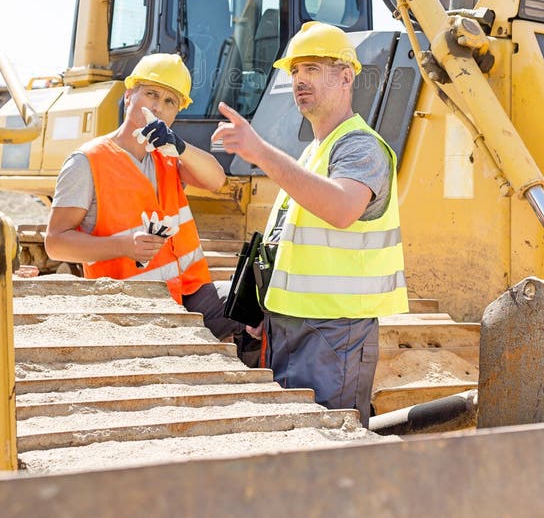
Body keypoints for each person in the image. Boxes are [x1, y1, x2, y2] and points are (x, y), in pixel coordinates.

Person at [211, 21, 408, 426]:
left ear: (346, 77)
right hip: (290, 325)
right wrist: (265, 308)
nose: (300, 80)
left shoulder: (360, 146)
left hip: (332, 333)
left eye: (313, 69)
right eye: (296, 71)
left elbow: (341, 208)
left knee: (327, 443)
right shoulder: (314, 153)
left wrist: (260, 152)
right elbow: (287, 243)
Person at [45, 52, 258, 359]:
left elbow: (216, 179)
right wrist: (124, 246)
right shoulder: (87, 162)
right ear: (128, 95)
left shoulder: (168, 156)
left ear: (175, 113)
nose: (158, 106)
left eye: (170, 101)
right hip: (132, 306)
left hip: (190, 294)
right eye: (151, 94)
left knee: (257, 306)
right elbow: (55, 243)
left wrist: (180, 146)